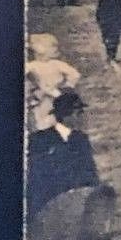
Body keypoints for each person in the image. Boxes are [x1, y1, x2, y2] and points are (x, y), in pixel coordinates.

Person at [27, 91, 100, 219]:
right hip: (49, 207)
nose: (83, 117)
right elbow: (36, 179)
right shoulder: (39, 140)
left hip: (78, 207)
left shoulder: (81, 139)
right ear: (67, 116)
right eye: (79, 113)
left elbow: (90, 173)